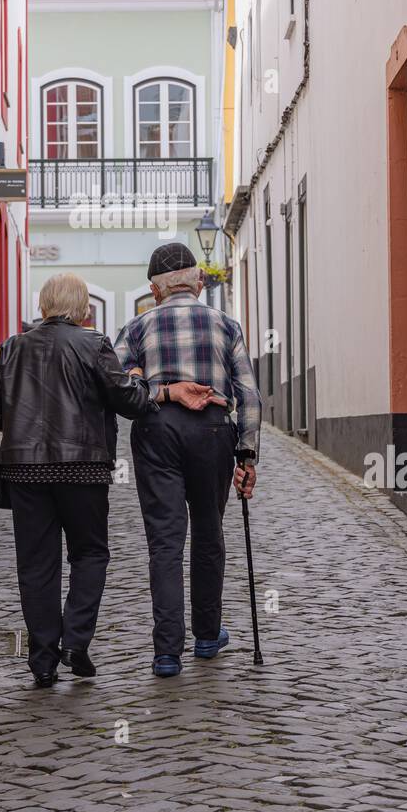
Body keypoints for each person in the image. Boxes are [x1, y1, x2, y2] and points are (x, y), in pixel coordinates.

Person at [0, 272, 212, 688]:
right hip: (82, 469)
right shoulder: (93, 343)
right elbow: (128, 400)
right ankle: (76, 641)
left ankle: (44, 660)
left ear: (45, 306)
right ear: (83, 308)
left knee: (36, 564)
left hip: (24, 472)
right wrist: (147, 384)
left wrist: (21, 424)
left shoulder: (13, 347)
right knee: (90, 555)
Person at [115, 242, 262, 678]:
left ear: (154, 290)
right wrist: (248, 454)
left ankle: (166, 653)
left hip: (157, 428)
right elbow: (249, 395)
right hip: (213, 430)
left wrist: (146, 380)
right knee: (208, 532)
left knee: (165, 541)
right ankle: (206, 634)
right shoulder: (226, 325)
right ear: (199, 282)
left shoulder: (137, 327)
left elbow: (116, 383)